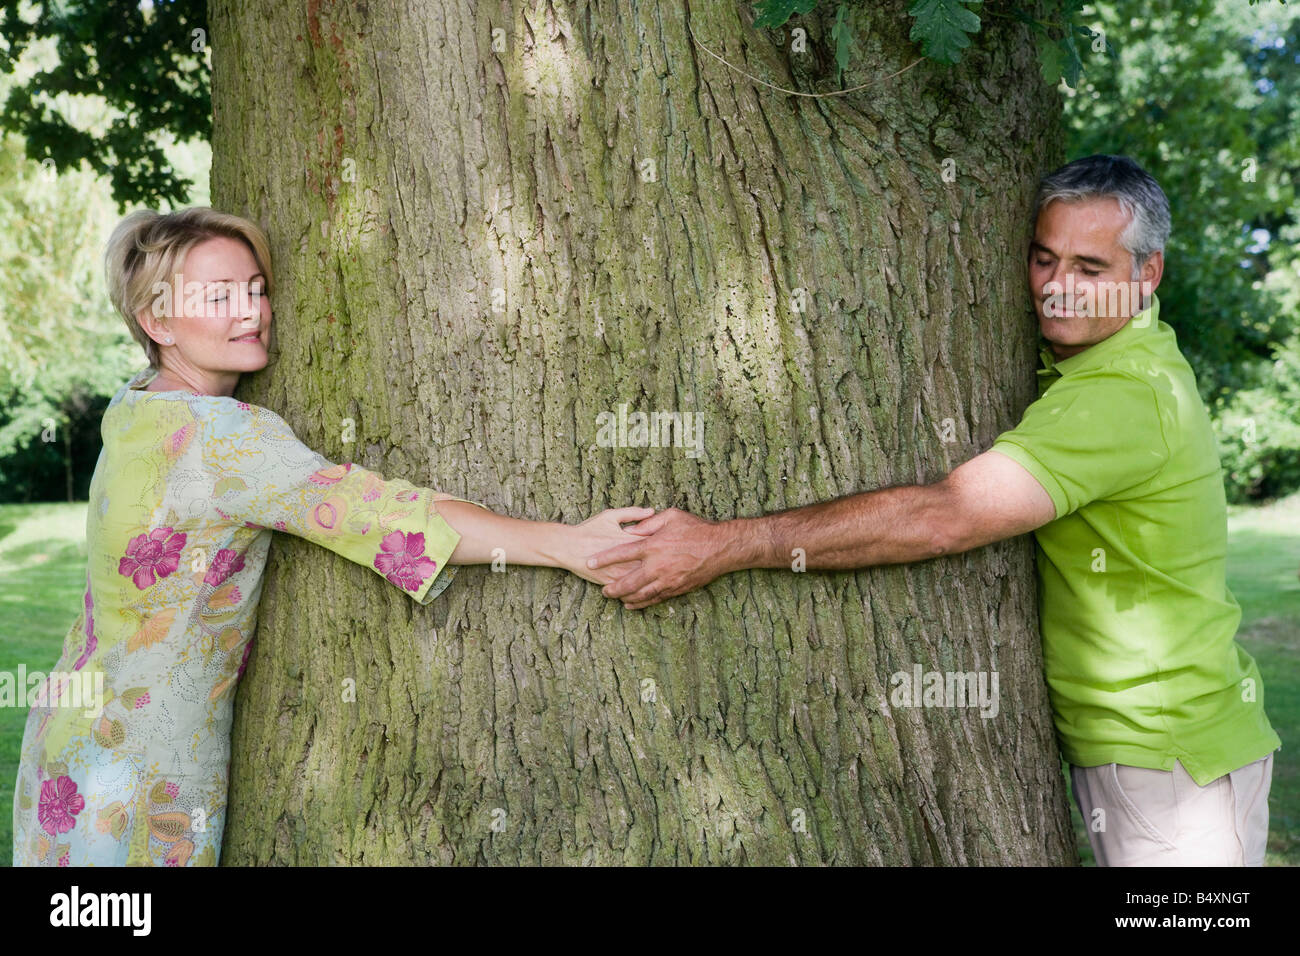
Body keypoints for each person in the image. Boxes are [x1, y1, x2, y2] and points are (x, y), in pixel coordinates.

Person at [589, 154, 1281, 866]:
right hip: (1150, 750)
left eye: (1090, 270)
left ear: (1148, 274)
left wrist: (724, 545)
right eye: (1045, 260)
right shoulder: (1108, 365)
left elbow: (944, 517)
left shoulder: (1123, 395)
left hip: (1173, 761)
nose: (1058, 290)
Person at [11, 207, 649, 866]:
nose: (252, 311)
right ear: (158, 321)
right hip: (136, 780)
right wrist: (567, 544)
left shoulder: (135, 405)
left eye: (256, 288)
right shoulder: (225, 436)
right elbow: (378, 515)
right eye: (219, 295)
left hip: (63, 749)